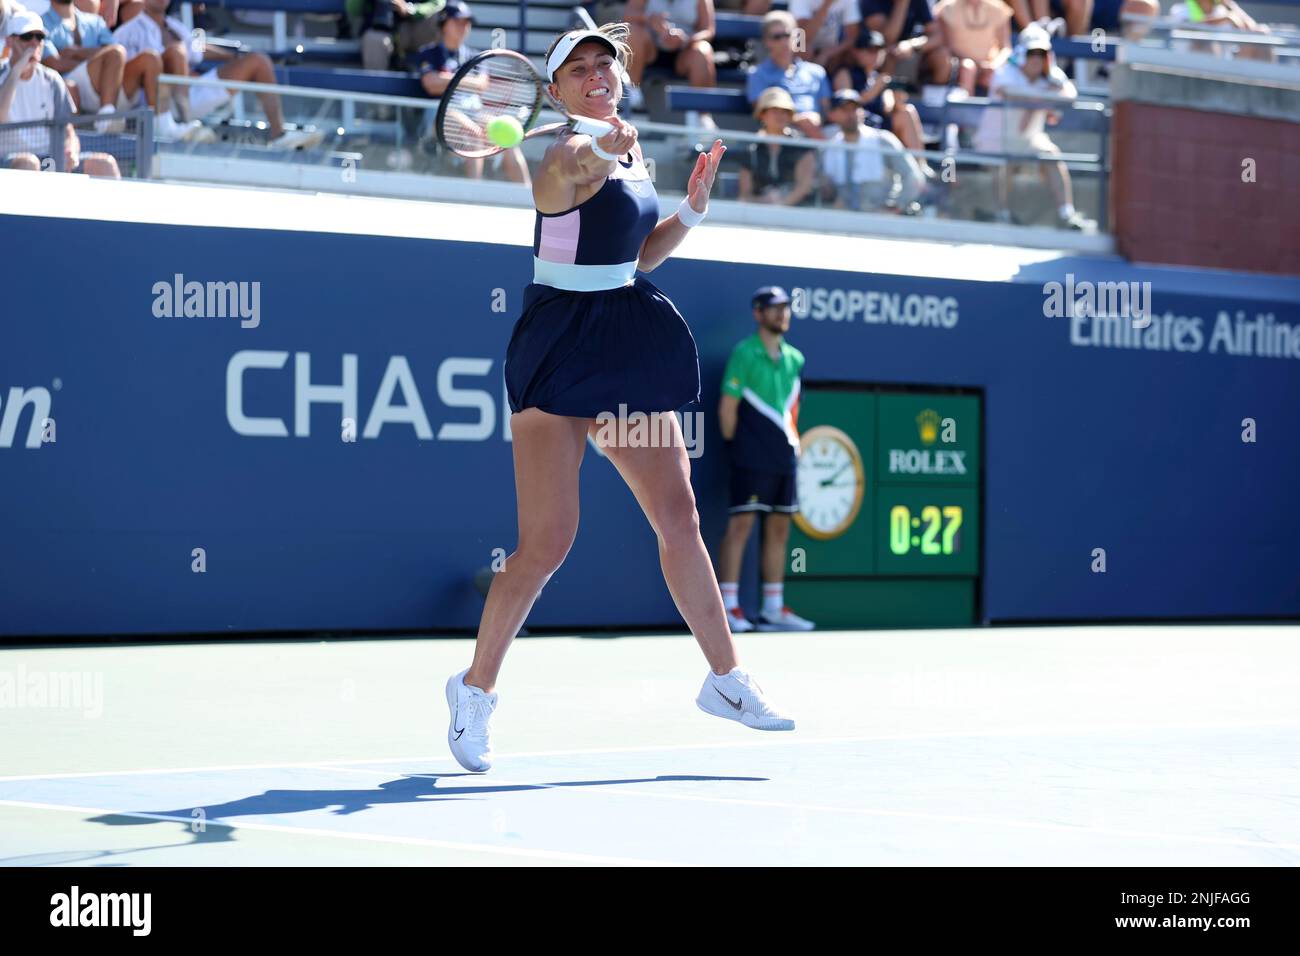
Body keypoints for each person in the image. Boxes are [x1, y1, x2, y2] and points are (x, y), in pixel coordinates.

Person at [446, 23, 795, 775]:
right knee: (546, 543)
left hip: (626, 328)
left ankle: (726, 680)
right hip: (559, 344)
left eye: (605, 63)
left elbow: (630, 256)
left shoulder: (629, 147)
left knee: (679, 517)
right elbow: (565, 178)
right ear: (556, 91)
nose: (597, 75)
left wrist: (692, 212)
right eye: (579, 69)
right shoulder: (556, 150)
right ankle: (474, 690)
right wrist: (600, 147)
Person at [717, 286, 816, 634]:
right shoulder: (744, 354)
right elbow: (727, 410)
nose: (782, 314)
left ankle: (773, 608)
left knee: (779, 528)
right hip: (749, 456)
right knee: (740, 527)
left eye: (786, 308)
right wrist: (738, 448)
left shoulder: (795, 359)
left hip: (783, 457)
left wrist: (791, 444)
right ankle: (728, 607)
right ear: (758, 313)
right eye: (774, 308)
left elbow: (794, 409)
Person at [112, 0, 322, 148]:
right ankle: (183, 126)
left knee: (259, 61)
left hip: (191, 94)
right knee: (175, 54)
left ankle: (279, 135)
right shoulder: (126, 32)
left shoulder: (177, 27)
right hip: (157, 105)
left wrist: (234, 56)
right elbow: (128, 80)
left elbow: (198, 49)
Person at [972, 23, 1092, 229]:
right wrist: (1045, 98)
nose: (1036, 58)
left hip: (1029, 140)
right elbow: (1009, 92)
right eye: (1032, 53)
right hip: (996, 139)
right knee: (1003, 163)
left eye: (1041, 54)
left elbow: (1070, 95)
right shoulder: (1006, 73)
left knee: (1052, 156)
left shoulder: (1051, 76)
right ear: (1022, 54)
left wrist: (1043, 97)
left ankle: (1066, 214)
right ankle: (1002, 214)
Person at [416, 2, 527, 184]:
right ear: (444, 23)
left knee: (509, 139)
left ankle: (527, 194)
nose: (464, 27)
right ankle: (475, 192)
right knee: (473, 133)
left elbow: (482, 84)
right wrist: (468, 82)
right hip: (441, 114)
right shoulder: (428, 53)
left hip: (474, 112)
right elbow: (430, 84)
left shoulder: (475, 56)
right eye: (458, 22)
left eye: (467, 23)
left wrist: (445, 79)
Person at [0, 10, 119, 175]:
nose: (34, 44)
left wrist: (71, 149)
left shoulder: (52, 80)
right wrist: (17, 69)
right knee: (28, 163)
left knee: (105, 164)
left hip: (49, 158)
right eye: (27, 37)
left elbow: (68, 129)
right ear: (9, 41)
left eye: (39, 38)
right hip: (7, 160)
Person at [41, 0, 161, 123]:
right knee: (115, 54)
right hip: (69, 88)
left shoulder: (95, 21)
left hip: (107, 86)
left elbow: (117, 52)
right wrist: (99, 62)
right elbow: (54, 63)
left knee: (150, 59)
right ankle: (106, 118)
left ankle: (160, 121)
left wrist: (79, 52)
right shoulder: (41, 24)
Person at [833, 28, 932, 175]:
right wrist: (874, 90)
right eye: (870, 50)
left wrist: (897, 98)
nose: (875, 55)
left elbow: (887, 110)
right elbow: (844, 105)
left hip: (880, 128)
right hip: (856, 127)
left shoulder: (879, 77)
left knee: (906, 112)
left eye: (879, 50)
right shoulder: (845, 73)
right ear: (857, 52)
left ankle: (921, 167)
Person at [820, 88, 924, 211]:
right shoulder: (829, 146)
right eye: (844, 109)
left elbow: (913, 176)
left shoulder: (883, 140)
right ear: (832, 115)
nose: (851, 114)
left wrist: (896, 208)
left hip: (879, 219)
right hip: (842, 218)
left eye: (855, 109)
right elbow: (824, 186)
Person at [623, 0, 716, 124]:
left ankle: (701, 116)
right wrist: (650, 19)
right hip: (650, 50)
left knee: (703, 50)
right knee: (634, 32)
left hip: (685, 52)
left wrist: (686, 40)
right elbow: (629, 15)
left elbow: (708, 30)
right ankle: (633, 100)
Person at [745, 10, 832, 138]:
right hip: (780, 134)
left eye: (787, 35)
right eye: (777, 37)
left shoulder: (816, 71)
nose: (784, 41)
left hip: (818, 130)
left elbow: (827, 111)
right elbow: (762, 113)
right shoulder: (757, 74)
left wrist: (817, 118)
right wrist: (799, 120)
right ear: (767, 41)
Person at [860, 0, 953, 89]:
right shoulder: (870, 2)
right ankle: (885, 98)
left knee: (941, 54)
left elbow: (938, 36)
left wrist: (912, 45)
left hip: (910, 51)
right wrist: (901, 4)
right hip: (881, 54)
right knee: (889, 52)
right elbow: (888, 39)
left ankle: (934, 101)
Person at [933, 0, 1011, 95]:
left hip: (989, 65)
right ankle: (966, 107)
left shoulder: (998, 8)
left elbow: (1006, 48)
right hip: (958, 65)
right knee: (968, 68)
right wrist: (977, 65)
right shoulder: (947, 8)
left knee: (998, 75)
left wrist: (994, 65)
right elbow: (947, 46)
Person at [353, 0, 443, 72]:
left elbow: (437, 3)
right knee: (374, 39)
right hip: (383, 31)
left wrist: (410, 8)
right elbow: (353, 9)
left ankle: (438, 73)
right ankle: (376, 89)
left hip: (416, 29)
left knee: (440, 20)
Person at [787, 0, 861, 72]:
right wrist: (826, 5)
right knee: (804, 47)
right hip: (806, 48)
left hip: (831, 51)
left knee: (846, 57)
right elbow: (801, 35)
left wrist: (827, 54)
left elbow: (852, 37)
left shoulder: (850, 1)